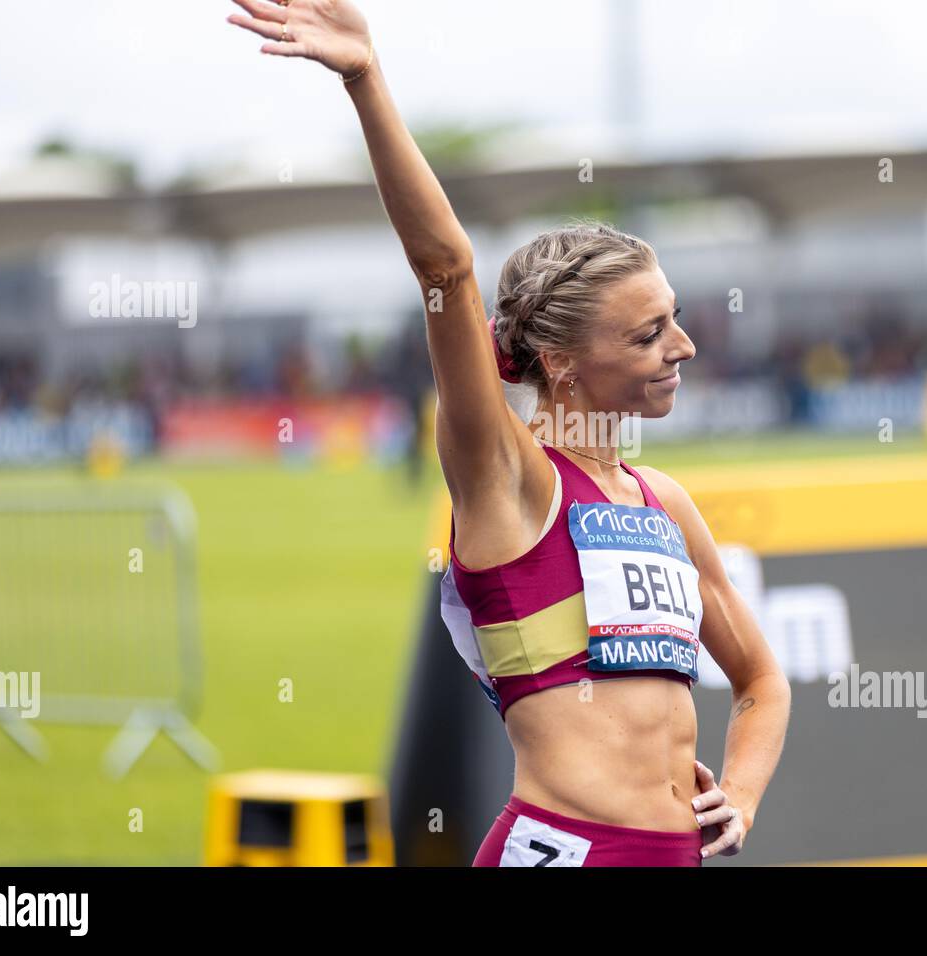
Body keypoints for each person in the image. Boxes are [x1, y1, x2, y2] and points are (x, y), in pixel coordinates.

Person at [227, 0, 791, 866]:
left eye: (674, 320)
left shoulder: (663, 504)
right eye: (647, 333)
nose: (681, 346)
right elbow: (445, 267)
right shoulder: (507, 481)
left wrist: (741, 800)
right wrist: (366, 79)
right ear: (561, 362)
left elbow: (760, 682)